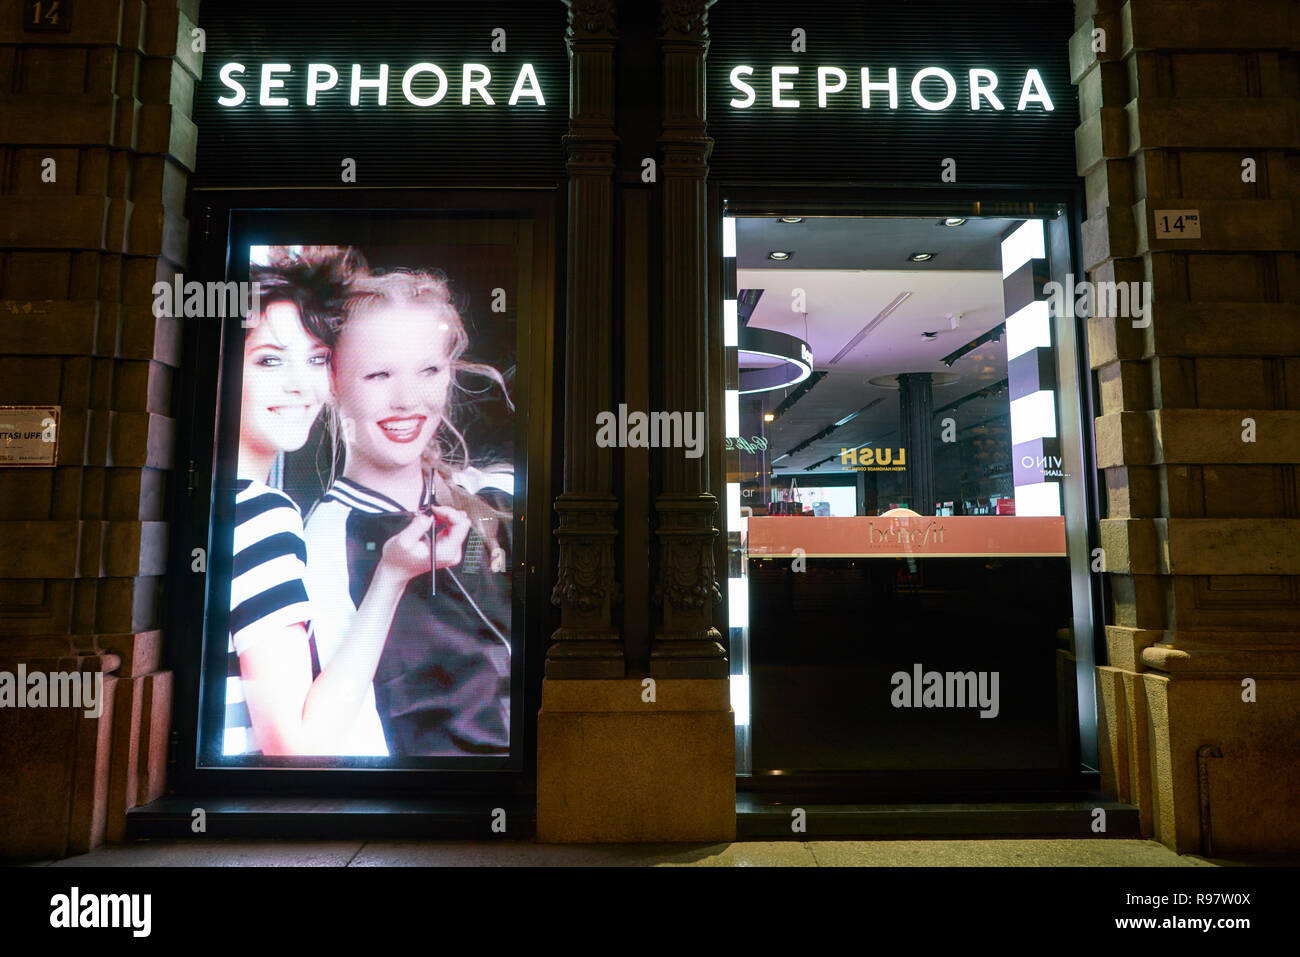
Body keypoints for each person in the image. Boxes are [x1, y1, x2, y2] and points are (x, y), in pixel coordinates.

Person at [227, 249, 444, 757]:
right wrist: (391, 576)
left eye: (318, 358)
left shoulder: (214, 507)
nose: (303, 385)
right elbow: (295, 747)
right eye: (269, 359)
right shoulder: (262, 515)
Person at [305, 262, 514, 758]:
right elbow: (336, 730)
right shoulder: (326, 538)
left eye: (429, 371)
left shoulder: (501, 497)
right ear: (332, 379)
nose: (407, 401)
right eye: (378, 374)